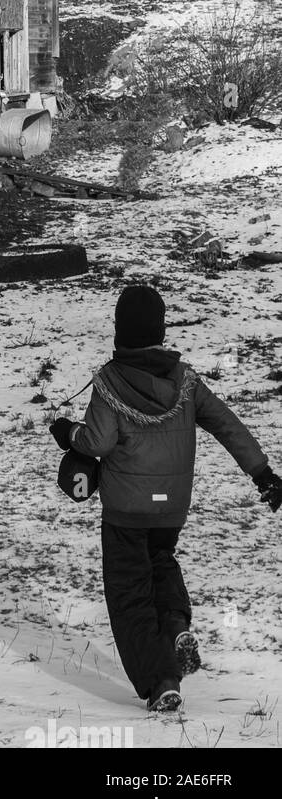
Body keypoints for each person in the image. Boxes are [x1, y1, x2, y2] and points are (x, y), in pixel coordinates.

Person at [50, 283, 282, 712]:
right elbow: (227, 425)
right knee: (161, 565)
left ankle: (161, 682)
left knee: (129, 595)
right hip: (171, 507)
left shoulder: (110, 382)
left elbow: (97, 443)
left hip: (125, 511)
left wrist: (67, 433)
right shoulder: (187, 382)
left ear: (121, 330)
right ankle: (175, 628)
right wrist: (263, 474)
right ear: (159, 329)